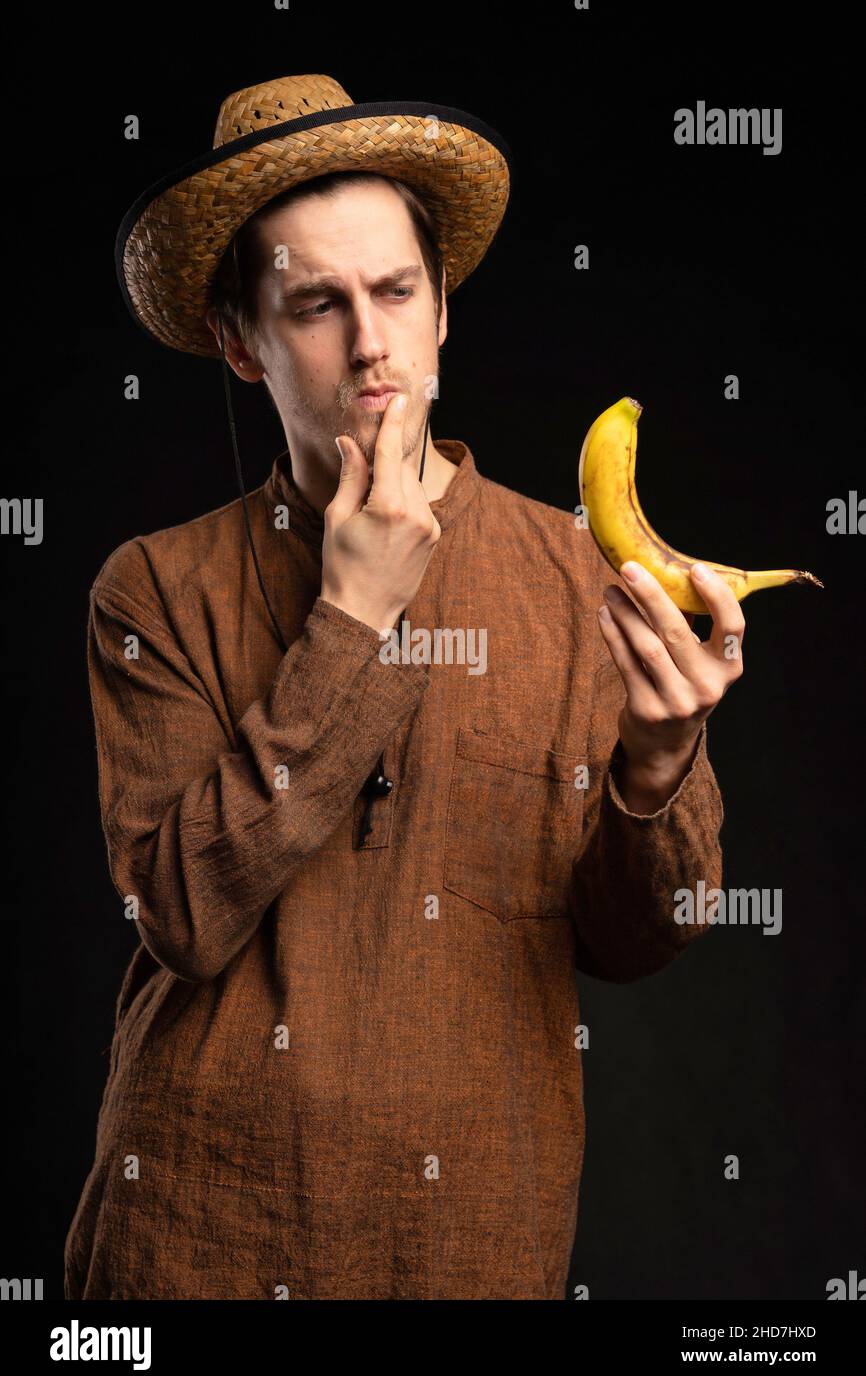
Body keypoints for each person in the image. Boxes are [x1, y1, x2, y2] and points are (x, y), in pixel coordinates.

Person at [65, 73, 737, 1300]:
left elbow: (636, 942)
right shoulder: (151, 590)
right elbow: (180, 912)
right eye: (315, 304)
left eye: (395, 292)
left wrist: (655, 765)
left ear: (442, 312)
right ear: (237, 340)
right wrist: (351, 618)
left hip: (470, 1250)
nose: (369, 344)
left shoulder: (574, 573)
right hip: (194, 1246)